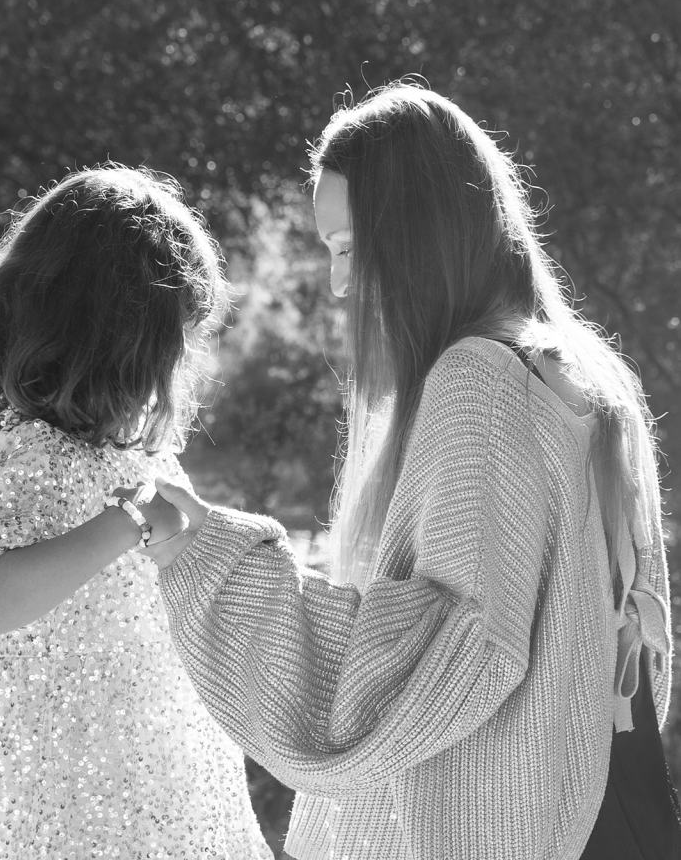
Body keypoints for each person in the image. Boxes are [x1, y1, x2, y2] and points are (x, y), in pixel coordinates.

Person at [129, 83, 674, 860]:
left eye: (349, 246)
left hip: (532, 831)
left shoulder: (480, 383)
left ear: (416, 233)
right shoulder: (583, 368)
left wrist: (209, 559)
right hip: (615, 800)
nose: (339, 284)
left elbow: (447, 652)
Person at [0, 167, 272, 860]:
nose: (180, 359)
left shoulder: (145, 463)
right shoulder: (34, 455)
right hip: (63, 809)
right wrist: (126, 524)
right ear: (118, 339)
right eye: (172, 337)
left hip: (168, 787)